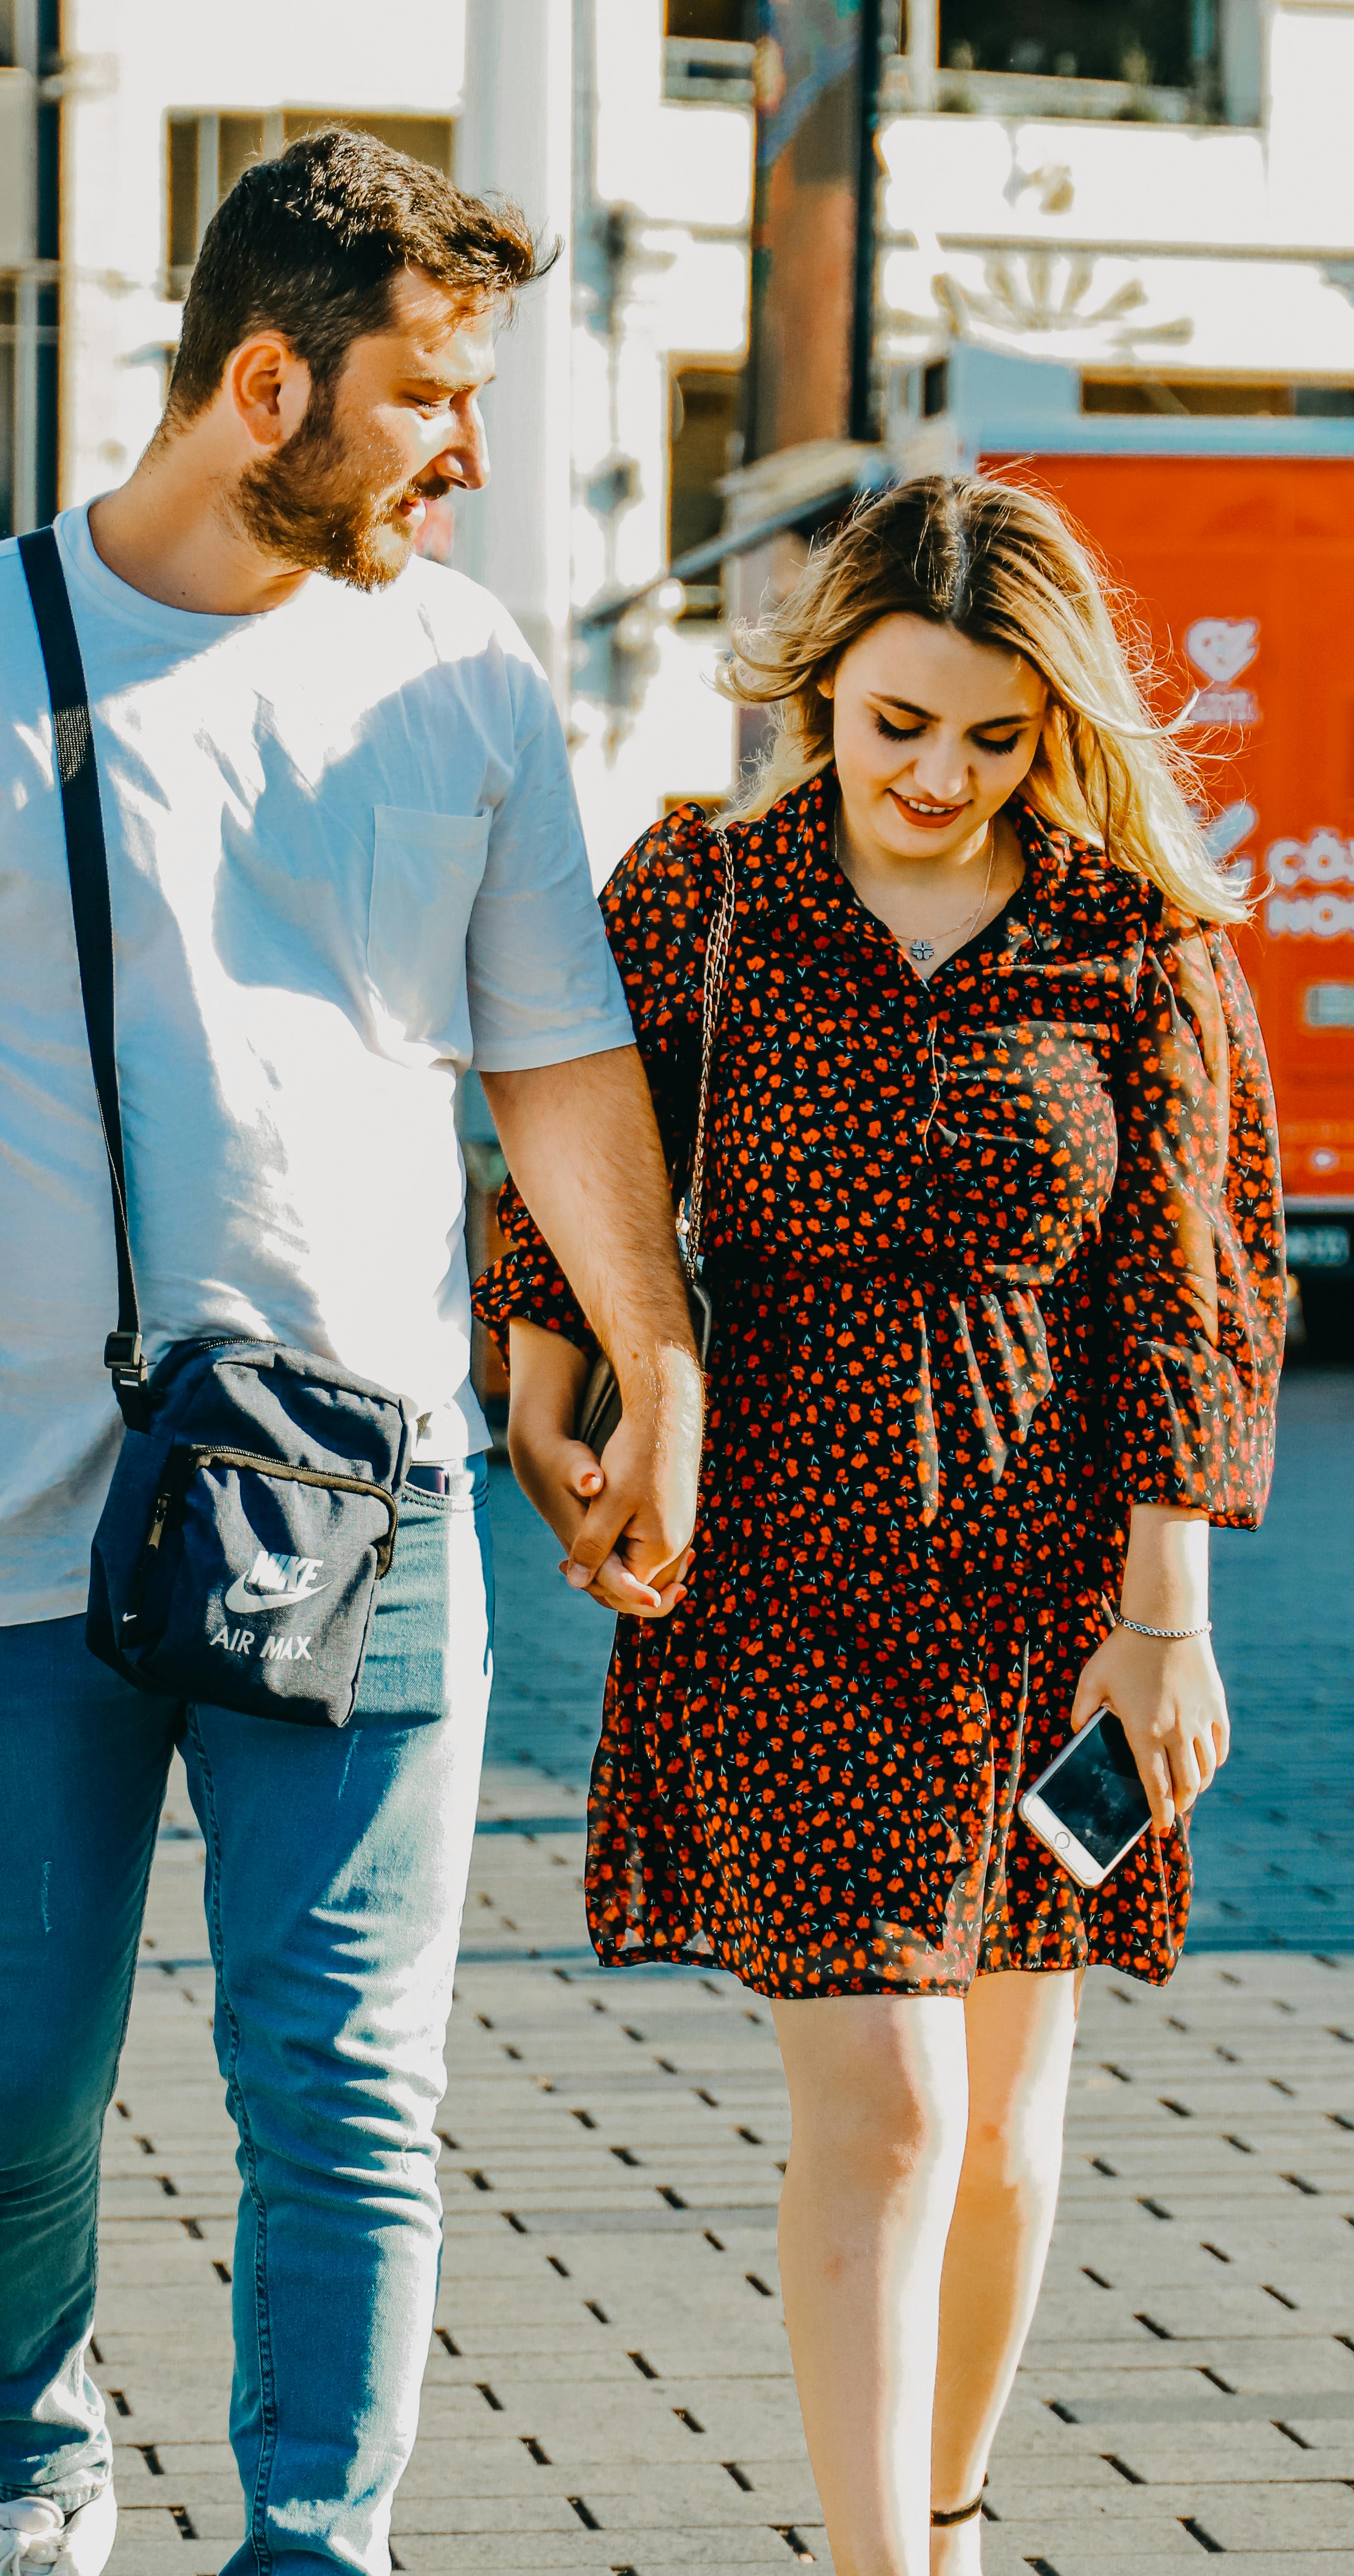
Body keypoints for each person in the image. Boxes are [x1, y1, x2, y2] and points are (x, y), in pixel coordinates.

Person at [0, 130, 702, 2576]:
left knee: (342, 2072)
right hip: (0, 1518)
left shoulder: (459, 668)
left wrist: (649, 1350)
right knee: (8, 2089)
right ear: (268, 382)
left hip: (368, 1498)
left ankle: (309, 2535)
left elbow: (554, 1059)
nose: (470, 452)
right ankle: (30, 2457)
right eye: (432, 398)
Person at [477, 474, 1285, 2576]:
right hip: (778, 1579)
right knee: (897, 2112)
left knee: (1010, 2133)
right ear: (817, 686)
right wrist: (542, 1408)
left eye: (992, 737)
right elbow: (574, 1166)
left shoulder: (1132, 939)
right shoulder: (701, 896)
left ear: (1055, 727)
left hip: (1051, 1606)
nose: (936, 777)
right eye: (894, 722)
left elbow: (1189, 1283)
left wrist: (1163, 1620)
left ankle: (940, 2510)